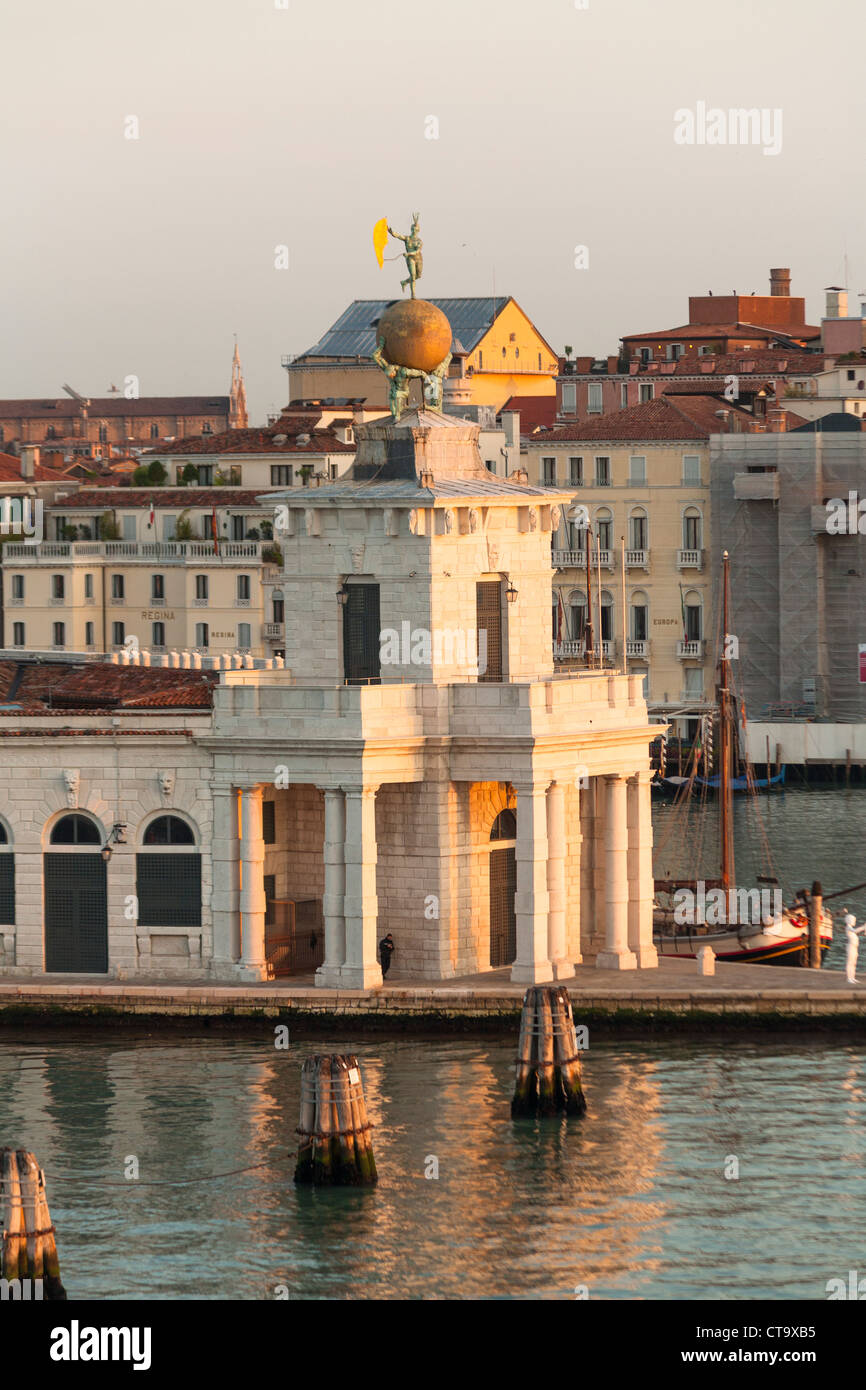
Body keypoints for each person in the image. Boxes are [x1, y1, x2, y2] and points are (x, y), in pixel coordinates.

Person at [842, 908, 866, 984]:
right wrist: (863, 927)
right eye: (853, 920)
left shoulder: (851, 929)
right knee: (850, 963)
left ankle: (853, 977)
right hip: (851, 948)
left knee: (853, 963)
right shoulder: (848, 927)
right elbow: (855, 930)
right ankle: (849, 978)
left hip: (854, 948)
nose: (854, 922)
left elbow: (855, 932)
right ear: (849, 920)